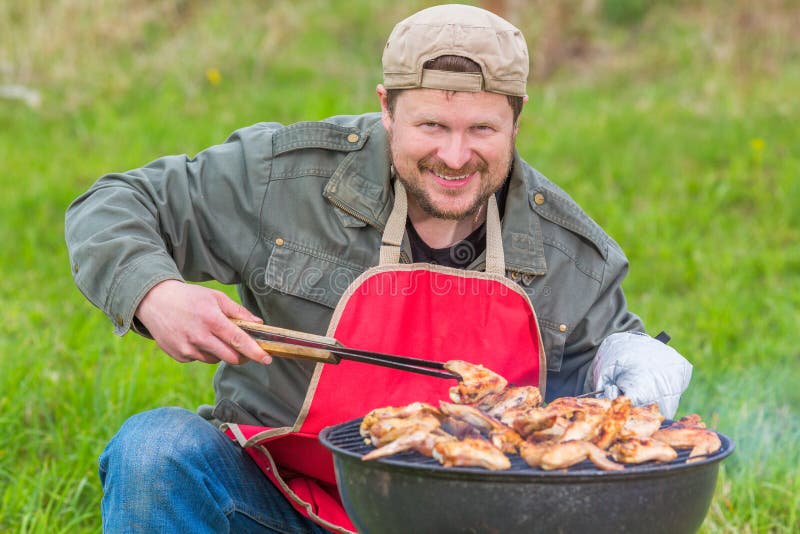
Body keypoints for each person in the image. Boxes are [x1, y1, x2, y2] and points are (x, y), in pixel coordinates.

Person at [65, 4, 692, 533]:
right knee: (155, 450)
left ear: (517, 119)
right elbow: (116, 203)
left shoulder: (570, 252)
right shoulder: (285, 179)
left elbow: (611, 404)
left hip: (470, 520)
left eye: (482, 129)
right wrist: (156, 292)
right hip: (279, 499)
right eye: (430, 125)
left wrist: (630, 368)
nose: (455, 155)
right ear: (386, 108)